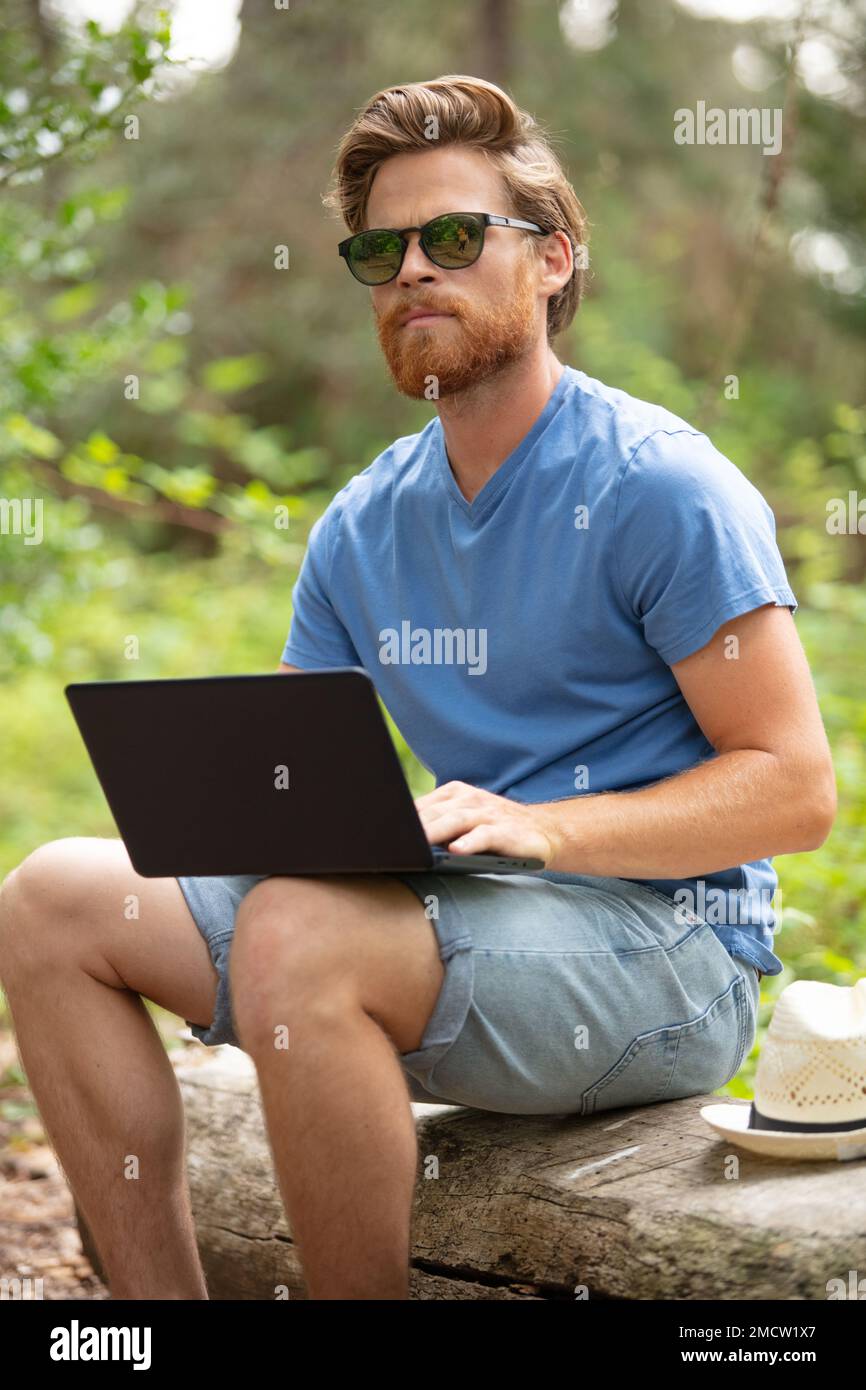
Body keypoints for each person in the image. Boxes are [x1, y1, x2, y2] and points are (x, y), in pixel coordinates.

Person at [0, 74, 836, 1302]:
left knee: (300, 932)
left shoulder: (662, 485)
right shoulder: (363, 520)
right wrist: (235, 800)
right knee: (52, 898)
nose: (411, 272)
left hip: (667, 951)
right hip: (462, 922)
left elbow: (794, 791)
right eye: (379, 250)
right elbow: (289, 777)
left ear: (551, 260)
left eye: (453, 237)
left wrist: (545, 828)